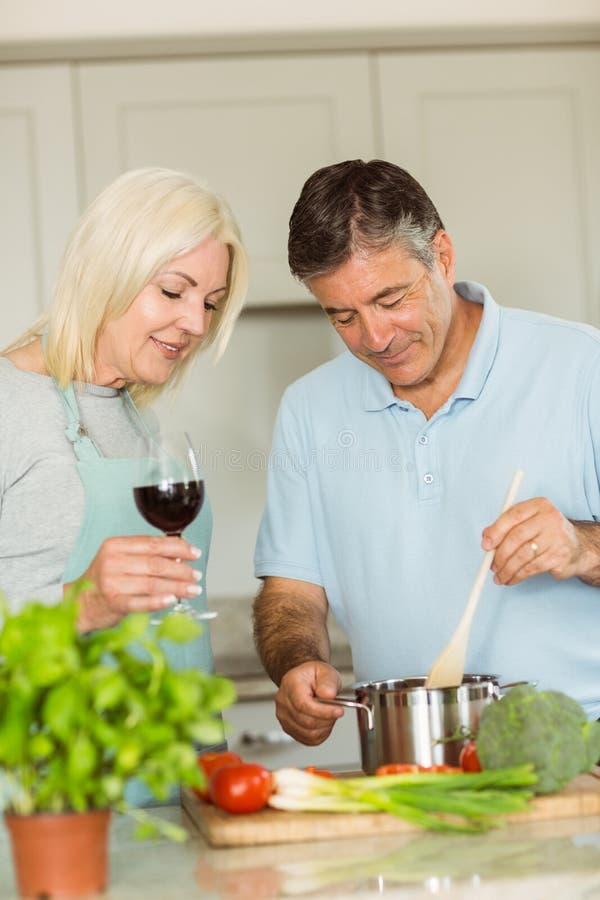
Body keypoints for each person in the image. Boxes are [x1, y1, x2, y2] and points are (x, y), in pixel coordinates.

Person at [253, 158, 600, 747]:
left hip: (582, 761)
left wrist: (582, 546)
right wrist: (295, 665)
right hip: (406, 762)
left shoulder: (582, 368)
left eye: (391, 299)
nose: (376, 338)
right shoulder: (308, 408)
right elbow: (291, 589)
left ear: (441, 256)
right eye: (343, 316)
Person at [0, 167, 248, 783]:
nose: (196, 323)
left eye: (210, 303)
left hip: (170, 783)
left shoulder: (137, 419)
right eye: (173, 291)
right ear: (107, 271)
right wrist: (79, 606)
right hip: (51, 801)